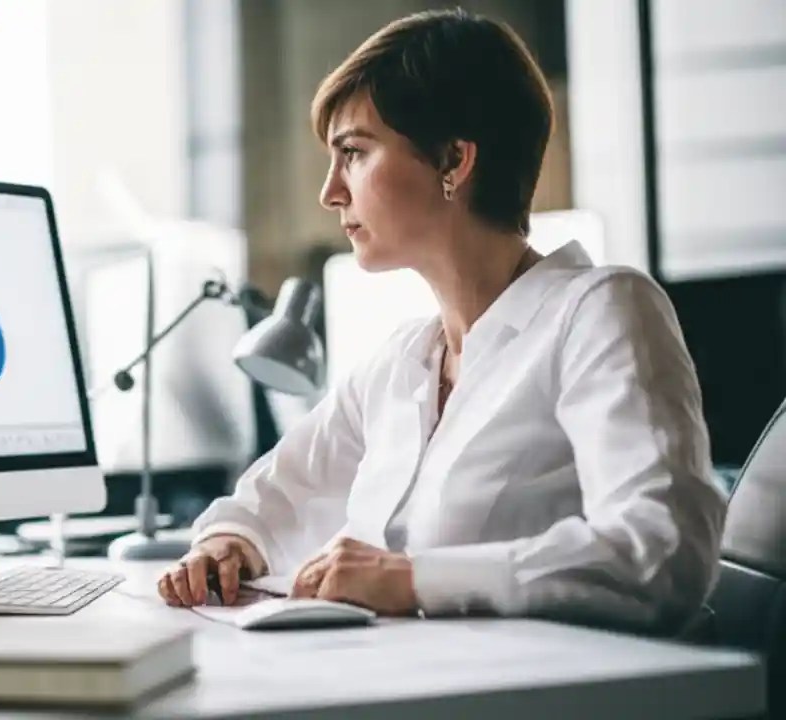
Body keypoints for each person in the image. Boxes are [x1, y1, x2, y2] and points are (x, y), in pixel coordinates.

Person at [157, 9, 726, 633]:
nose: (330, 192)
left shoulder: (600, 312)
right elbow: (274, 496)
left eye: (354, 153)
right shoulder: (403, 360)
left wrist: (413, 578)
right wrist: (228, 543)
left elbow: (663, 551)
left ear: (454, 161)